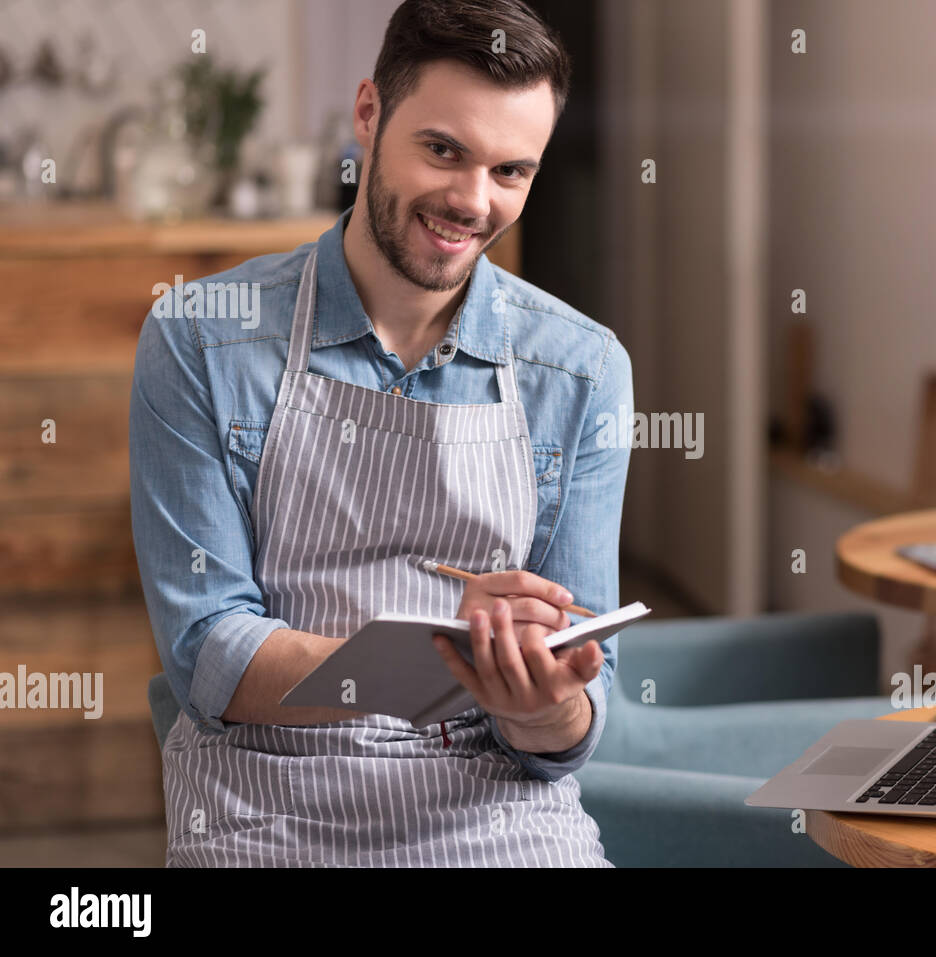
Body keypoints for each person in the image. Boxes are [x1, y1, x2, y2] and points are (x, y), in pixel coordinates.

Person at [128, 0, 632, 867]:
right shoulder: (200, 337)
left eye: (512, 171)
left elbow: (573, 730)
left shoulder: (583, 372)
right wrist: (449, 661)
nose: (472, 203)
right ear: (369, 114)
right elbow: (208, 656)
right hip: (265, 805)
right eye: (444, 150)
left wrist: (538, 700)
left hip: (496, 820)